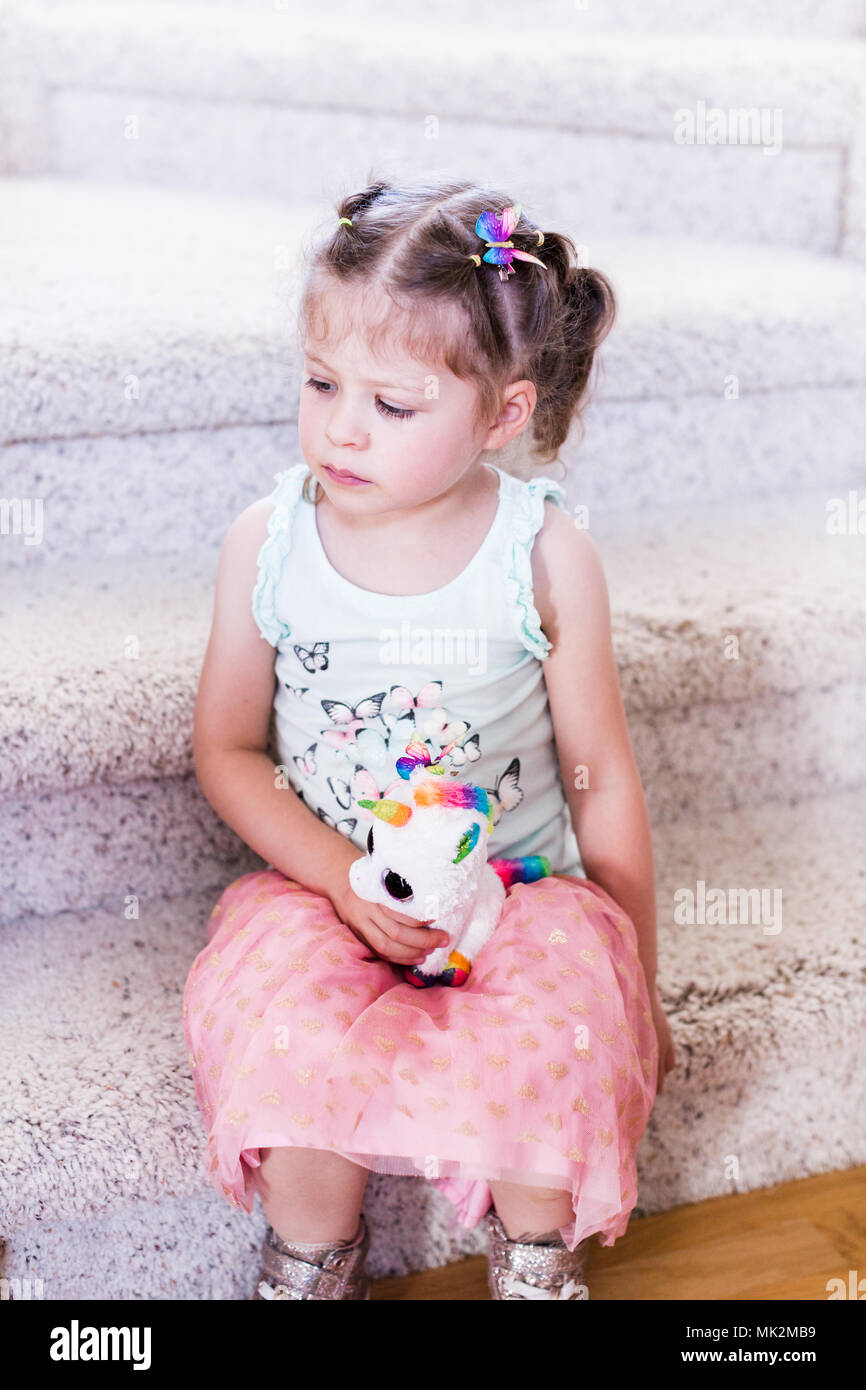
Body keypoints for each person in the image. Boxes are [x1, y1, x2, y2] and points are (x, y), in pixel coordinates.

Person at [182, 176, 676, 1301]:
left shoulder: (543, 554)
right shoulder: (267, 542)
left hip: (519, 882)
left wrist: (637, 976)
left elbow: (599, 780)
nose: (341, 426)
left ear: (500, 414)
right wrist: (337, 879)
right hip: (322, 881)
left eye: (392, 406)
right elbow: (228, 750)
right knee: (282, 1025)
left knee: (568, 1021)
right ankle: (311, 1261)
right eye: (320, 383)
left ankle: (534, 1258)